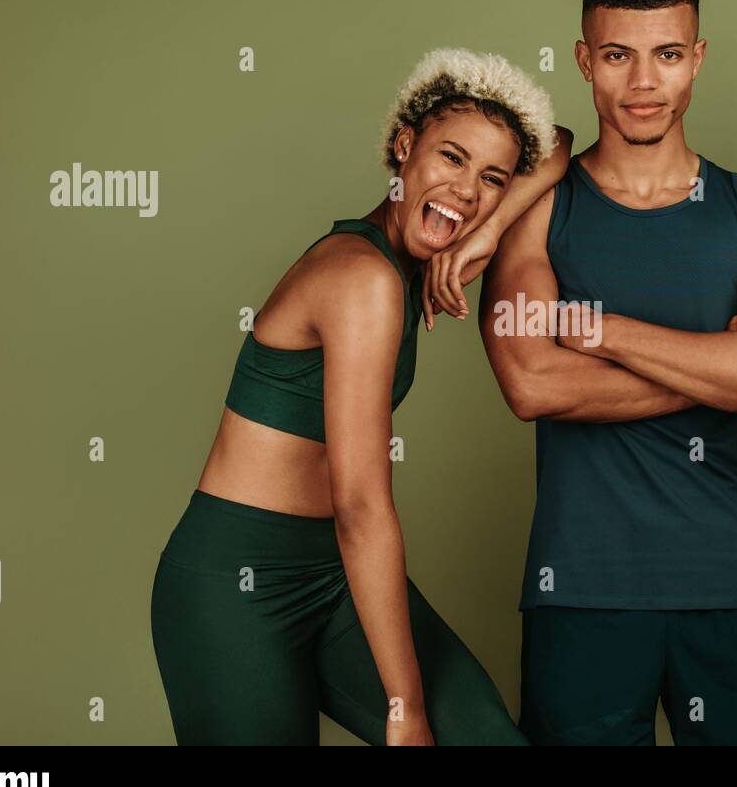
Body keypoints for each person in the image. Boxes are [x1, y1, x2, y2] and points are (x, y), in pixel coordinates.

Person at [151, 47, 572, 745]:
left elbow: (556, 146)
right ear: (403, 146)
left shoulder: (407, 259)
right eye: (451, 158)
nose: (467, 191)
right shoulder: (362, 278)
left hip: (334, 572)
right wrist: (404, 706)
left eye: (491, 177)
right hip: (234, 584)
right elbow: (360, 504)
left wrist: (492, 229)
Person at [479, 0, 737, 745]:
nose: (643, 82)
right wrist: (726, 366)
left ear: (697, 58)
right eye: (617, 55)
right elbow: (533, 380)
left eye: (667, 54)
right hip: (580, 589)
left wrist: (601, 330)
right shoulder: (534, 216)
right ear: (583, 59)